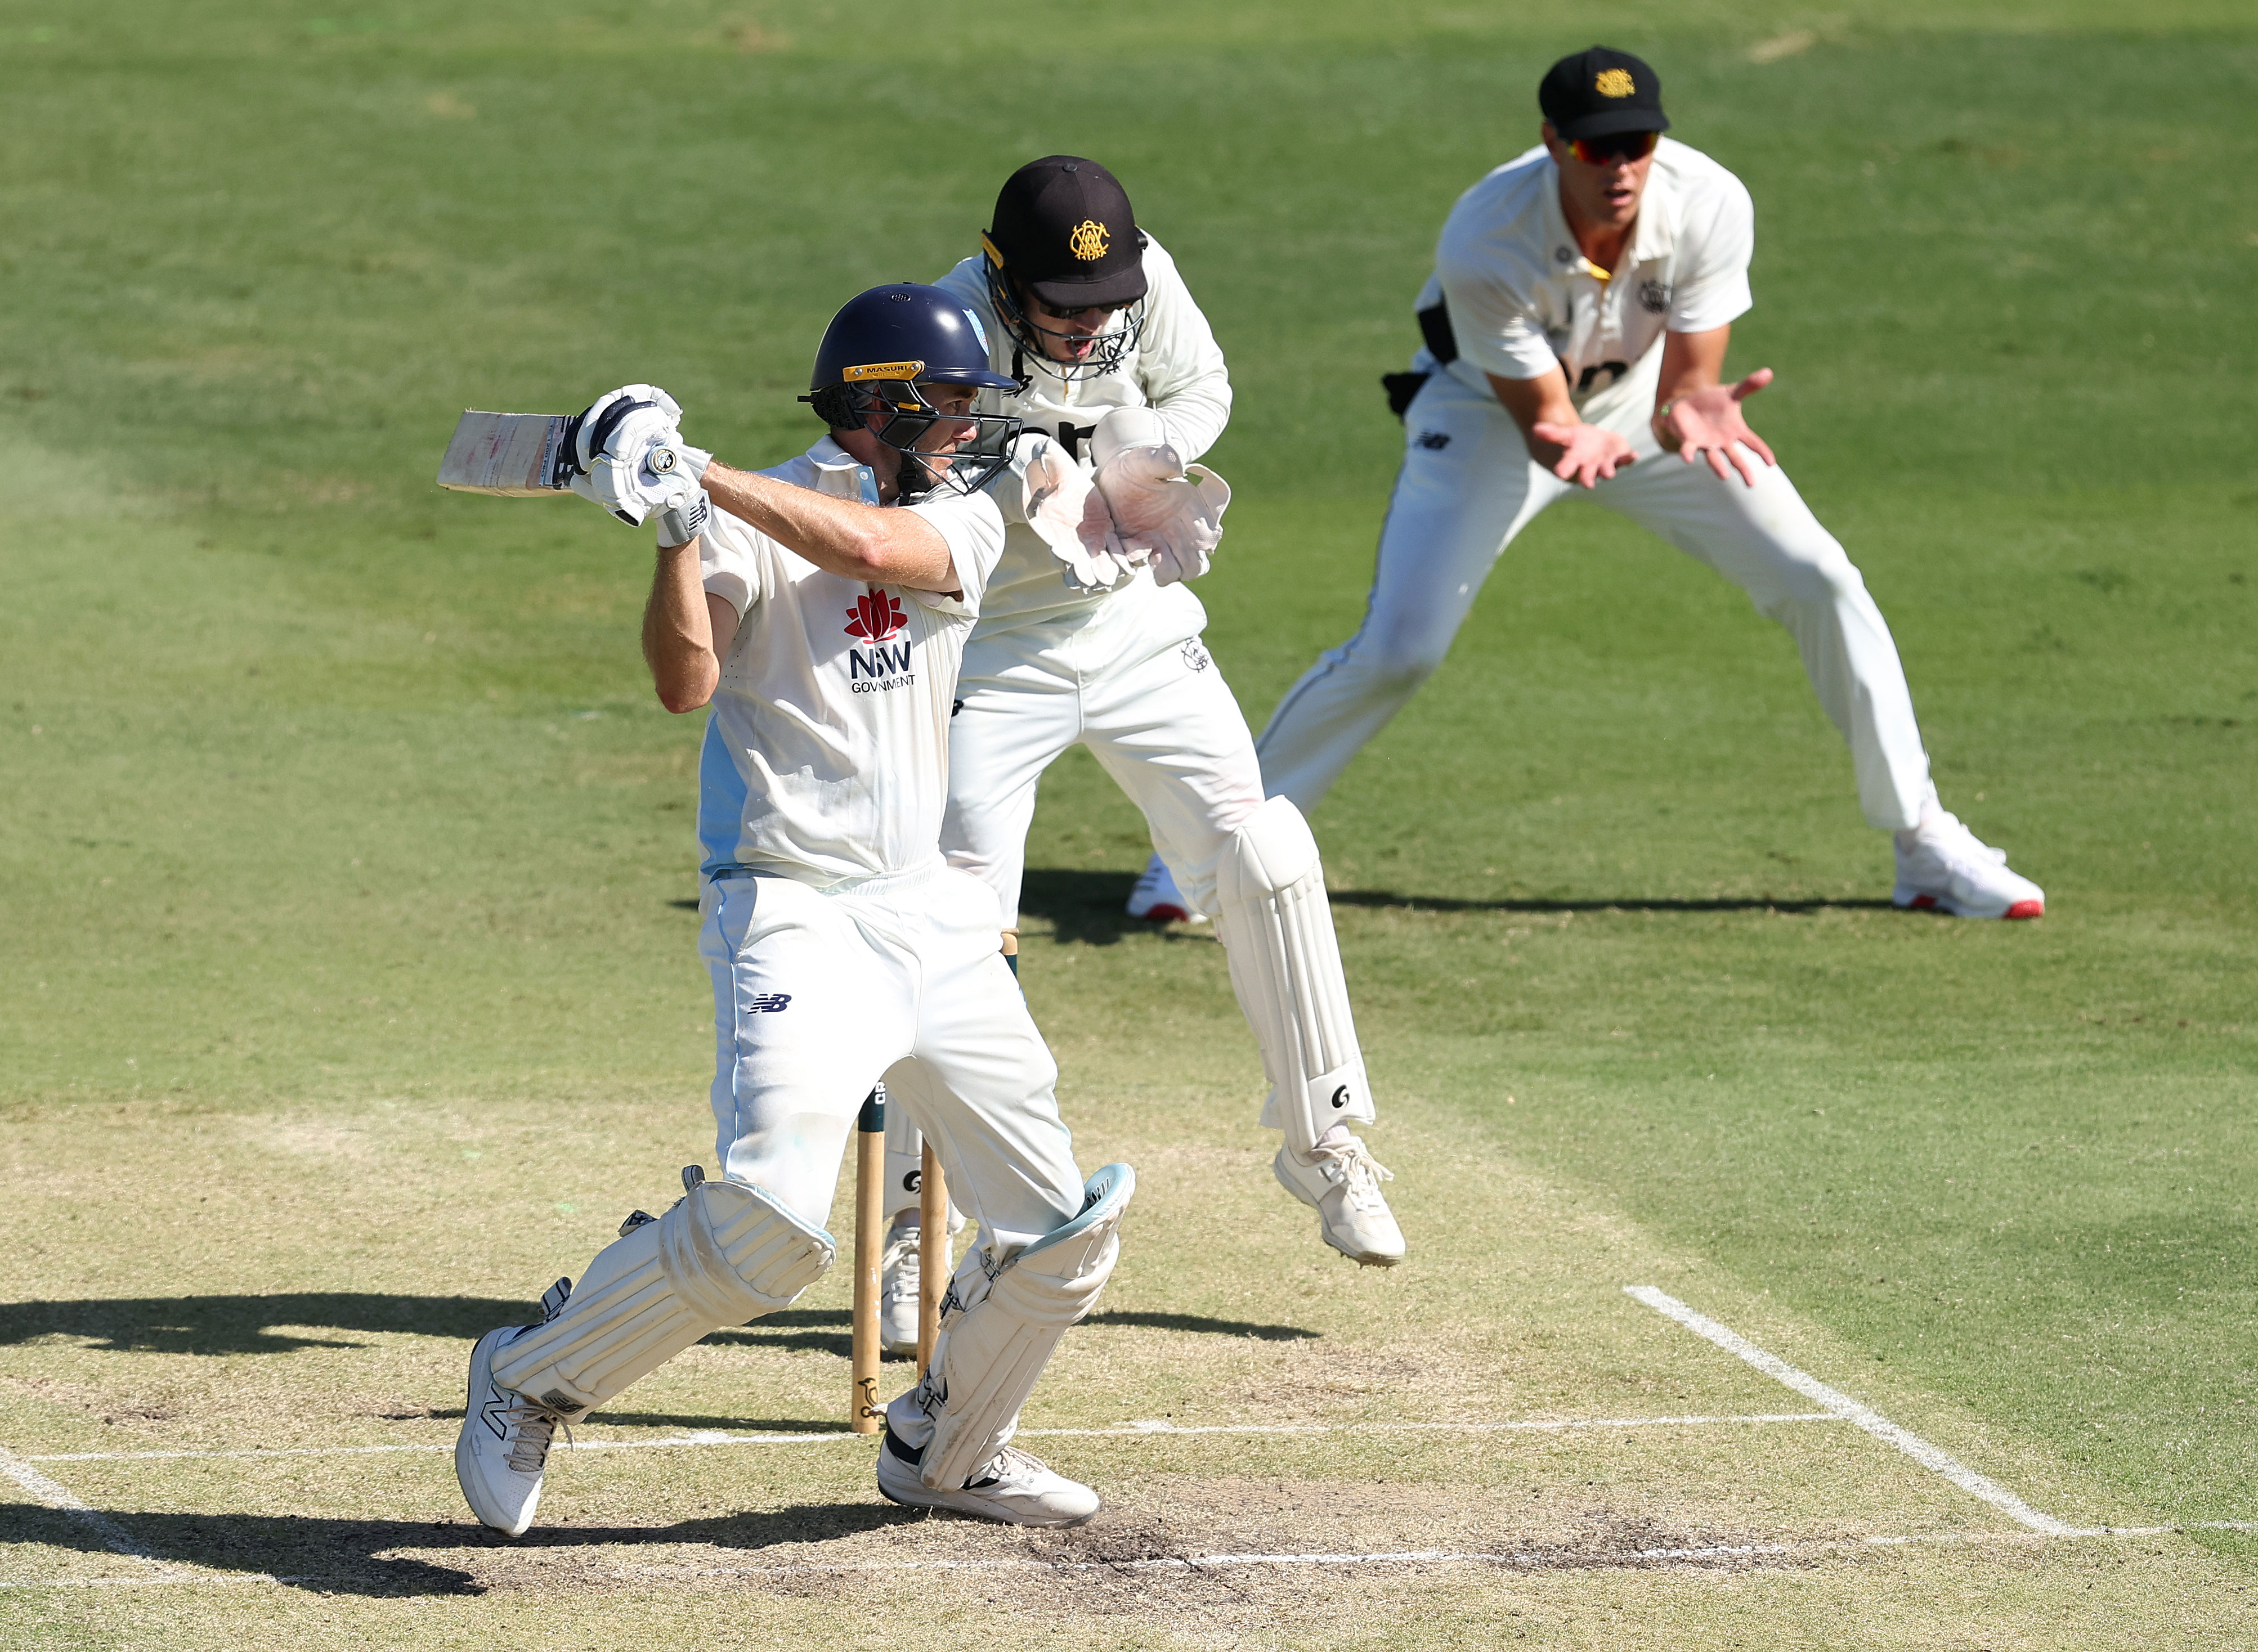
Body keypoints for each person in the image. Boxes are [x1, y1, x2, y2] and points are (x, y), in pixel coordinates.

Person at [454, 284, 1132, 1537]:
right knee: (771, 1225)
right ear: (886, 406)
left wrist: (693, 469)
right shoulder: (739, 523)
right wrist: (672, 531)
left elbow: (872, 556)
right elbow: (681, 683)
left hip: (930, 908)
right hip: (793, 913)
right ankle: (525, 1377)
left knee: (1062, 1233)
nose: (977, 424)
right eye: (955, 403)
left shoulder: (970, 515)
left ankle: (948, 1449)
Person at [1226, 46, 2044, 921]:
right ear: (1552, 143)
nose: (1619, 166)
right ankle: (1224, 852)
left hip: (1637, 406)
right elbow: (1545, 423)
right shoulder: (1486, 234)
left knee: (1823, 580)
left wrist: (1684, 414)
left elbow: (1688, 386)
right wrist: (1571, 442)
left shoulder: (1711, 201)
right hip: (1488, 417)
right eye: (1594, 148)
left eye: (1637, 142)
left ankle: (1921, 841)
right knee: (1399, 651)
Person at [864, 156, 1406, 1357]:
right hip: (991, 651)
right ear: (1002, 281)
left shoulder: (1144, 282)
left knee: (1263, 850)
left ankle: (1324, 1147)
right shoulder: (943, 327)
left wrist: (1139, 457)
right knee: (947, 924)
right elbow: (892, 479)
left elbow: (1202, 385)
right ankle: (916, 1227)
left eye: (1102, 306)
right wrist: (1021, 484)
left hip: (1133, 628)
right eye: (1062, 306)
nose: (1089, 323)